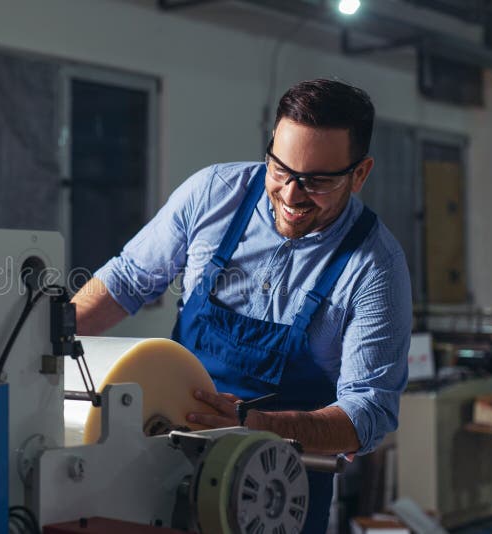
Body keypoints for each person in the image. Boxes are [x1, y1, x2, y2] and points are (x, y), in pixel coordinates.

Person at [71, 78, 412, 533]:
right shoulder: (214, 194)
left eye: (317, 182)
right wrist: (45, 340)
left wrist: (257, 424)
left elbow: (367, 412)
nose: (292, 196)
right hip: (162, 464)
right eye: (280, 169)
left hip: (276, 492)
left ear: (360, 173)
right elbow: (128, 280)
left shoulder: (376, 268)